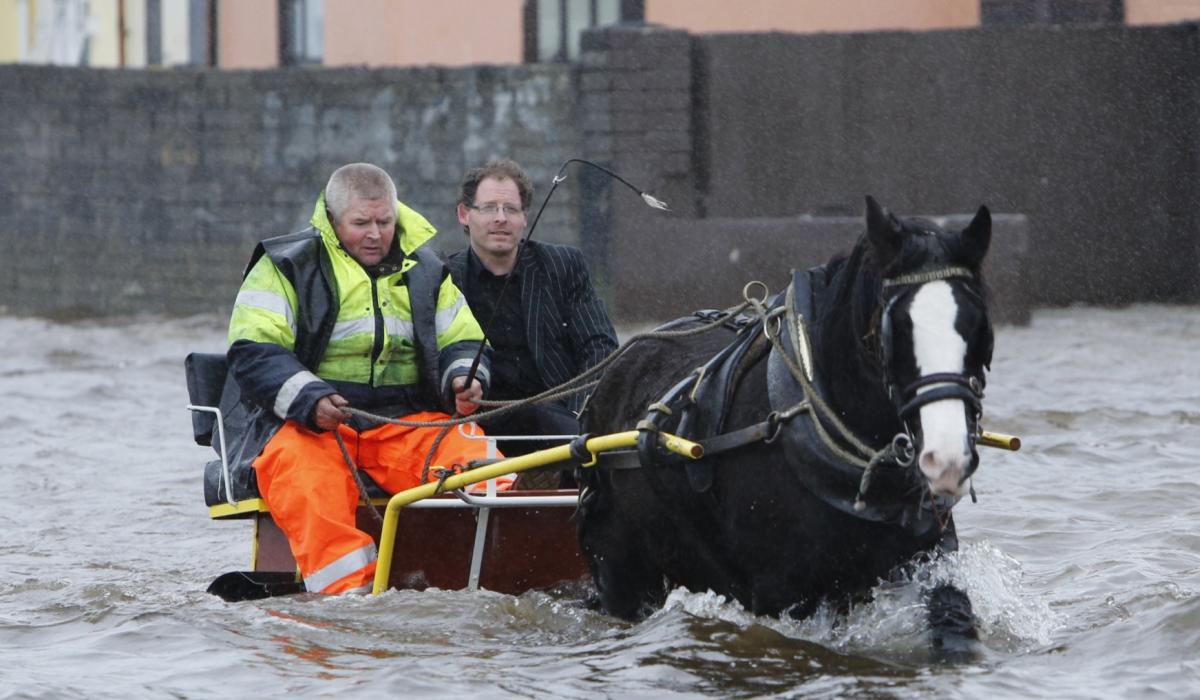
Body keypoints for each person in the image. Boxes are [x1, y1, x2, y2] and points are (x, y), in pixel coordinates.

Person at [223, 163, 498, 595]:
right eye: (361, 223)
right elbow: (254, 352)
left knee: (482, 462)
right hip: (307, 427)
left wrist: (463, 378)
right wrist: (311, 400)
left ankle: (486, 579)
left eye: (384, 222)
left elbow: (462, 340)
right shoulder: (285, 265)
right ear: (333, 221)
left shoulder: (428, 269)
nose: (375, 233)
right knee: (308, 482)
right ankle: (350, 604)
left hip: (405, 423)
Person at [445, 159, 618, 484]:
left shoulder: (563, 265)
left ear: (525, 217)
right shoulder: (442, 278)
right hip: (475, 423)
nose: (500, 218)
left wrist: (579, 413)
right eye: (489, 208)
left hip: (559, 417)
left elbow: (601, 349)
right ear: (464, 215)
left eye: (511, 209)